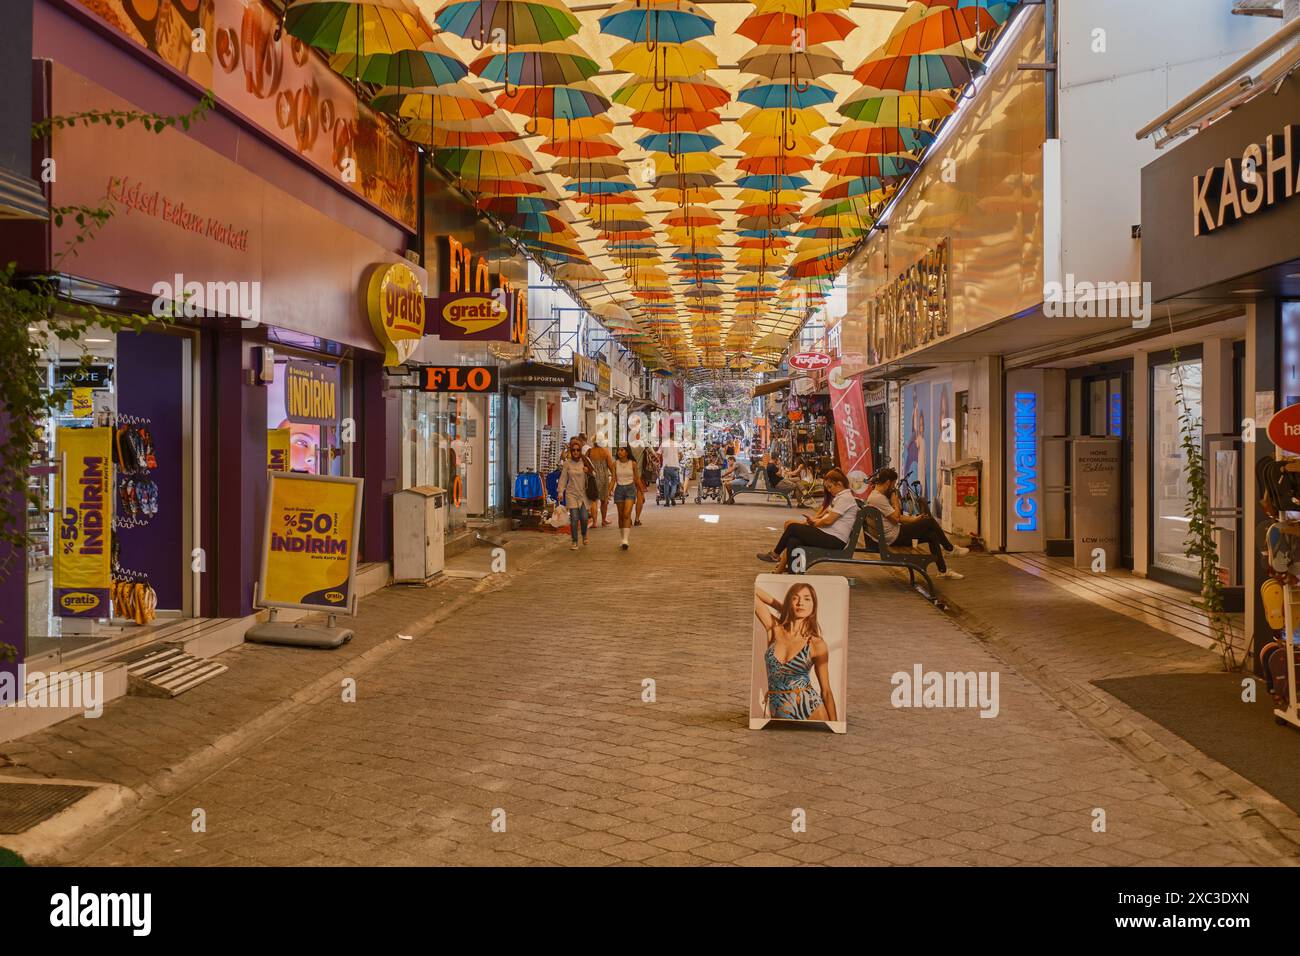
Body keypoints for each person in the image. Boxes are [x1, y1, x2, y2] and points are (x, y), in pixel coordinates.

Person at [754, 583, 837, 722]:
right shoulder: (774, 629)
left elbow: (826, 691)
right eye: (795, 598)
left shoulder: (816, 644)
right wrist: (783, 609)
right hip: (779, 713)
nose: (800, 603)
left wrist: (836, 726)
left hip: (811, 710)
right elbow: (753, 591)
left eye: (807, 599)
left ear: (813, 606)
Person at [867, 467, 968, 579]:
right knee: (928, 521)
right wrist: (895, 502)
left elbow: (895, 518)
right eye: (893, 483)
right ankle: (950, 549)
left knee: (931, 535)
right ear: (887, 482)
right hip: (894, 536)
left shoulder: (875, 496)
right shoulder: (878, 498)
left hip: (892, 534)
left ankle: (943, 571)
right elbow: (897, 518)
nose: (894, 487)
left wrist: (915, 519)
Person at [756, 469, 859, 572]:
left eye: (830, 487)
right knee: (793, 540)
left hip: (835, 539)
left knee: (792, 528)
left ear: (839, 484)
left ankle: (775, 554)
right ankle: (793, 571)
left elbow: (829, 521)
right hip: (829, 534)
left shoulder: (845, 498)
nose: (829, 490)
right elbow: (825, 514)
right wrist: (812, 522)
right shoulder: (840, 497)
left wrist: (814, 524)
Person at [556, 437, 594, 551]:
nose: (576, 452)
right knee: (574, 518)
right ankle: (574, 541)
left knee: (584, 518)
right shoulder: (567, 463)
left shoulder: (586, 461)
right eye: (574, 450)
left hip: (583, 494)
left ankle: (584, 534)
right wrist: (560, 492)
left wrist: (589, 471)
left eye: (578, 450)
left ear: (580, 450)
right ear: (571, 451)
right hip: (571, 494)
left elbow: (594, 474)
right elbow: (563, 478)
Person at [612, 445, 644, 549]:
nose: (619, 452)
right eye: (618, 450)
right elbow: (613, 479)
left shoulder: (633, 464)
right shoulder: (615, 464)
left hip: (630, 489)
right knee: (621, 516)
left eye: (622, 450)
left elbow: (637, 478)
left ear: (627, 452)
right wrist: (608, 492)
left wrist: (641, 492)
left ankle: (626, 539)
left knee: (626, 514)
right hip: (619, 490)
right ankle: (623, 539)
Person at [587, 438, 615, 527]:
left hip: (592, 477)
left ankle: (594, 522)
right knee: (604, 500)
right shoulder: (605, 451)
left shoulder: (589, 451)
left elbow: (584, 463)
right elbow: (610, 466)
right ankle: (603, 520)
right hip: (604, 478)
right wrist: (614, 476)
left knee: (594, 500)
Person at [659, 439, 681, 506]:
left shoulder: (664, 443)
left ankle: (667, 501)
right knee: (674, 483)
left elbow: (658, 453)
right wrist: (677, 460)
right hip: (675, 467)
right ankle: (672, 495)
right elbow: (681, 454)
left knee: (666, 484)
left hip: (667, 466)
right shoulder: (677, 444)